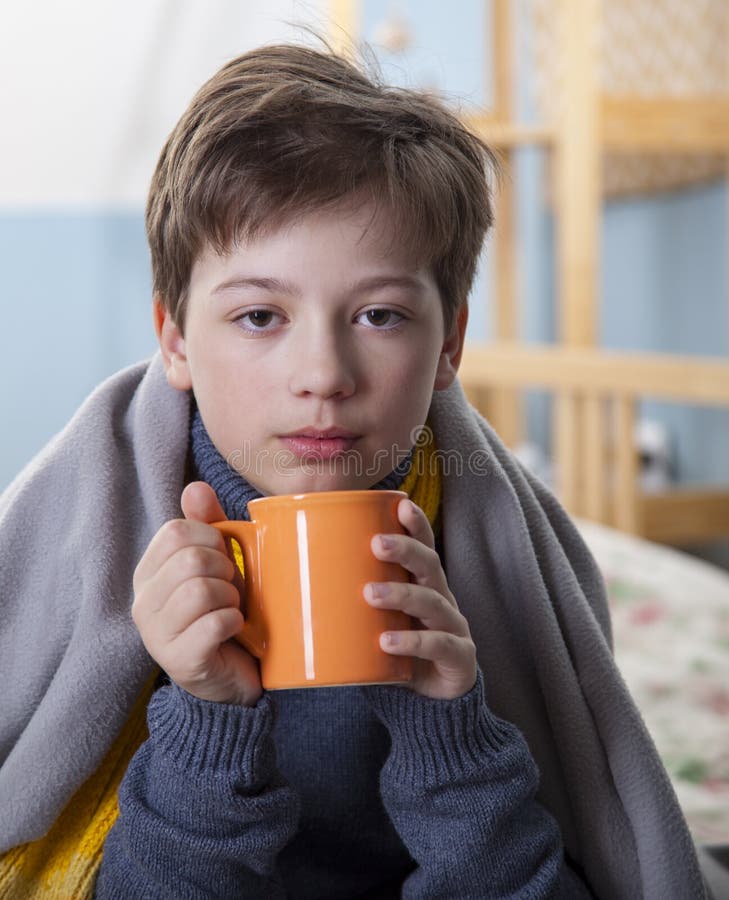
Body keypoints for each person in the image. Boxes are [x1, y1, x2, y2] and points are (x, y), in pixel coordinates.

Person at [0, 42, 708, 899]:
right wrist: (206, 720)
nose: (324, 374)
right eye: (260, 315)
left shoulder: (504, 545)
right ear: (175, 337)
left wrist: (450, 729)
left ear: (447, 345)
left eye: (378, 315)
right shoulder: (95, 518)